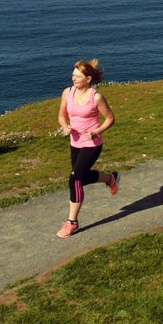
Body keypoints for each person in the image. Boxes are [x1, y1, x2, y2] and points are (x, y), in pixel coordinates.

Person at [56, 59, 119, 238]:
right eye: (73, 75)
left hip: (92, 144)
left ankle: (72, 222)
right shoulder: (67, 93)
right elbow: (62, 115)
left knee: (74, 180)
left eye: (77, 76)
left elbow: (110, 118)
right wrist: (64, 126)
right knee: (80, 179)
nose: (73, 78)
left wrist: (96, 131)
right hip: (75, 143)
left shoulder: (96, 97)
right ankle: (110, 178)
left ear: (88, 78)